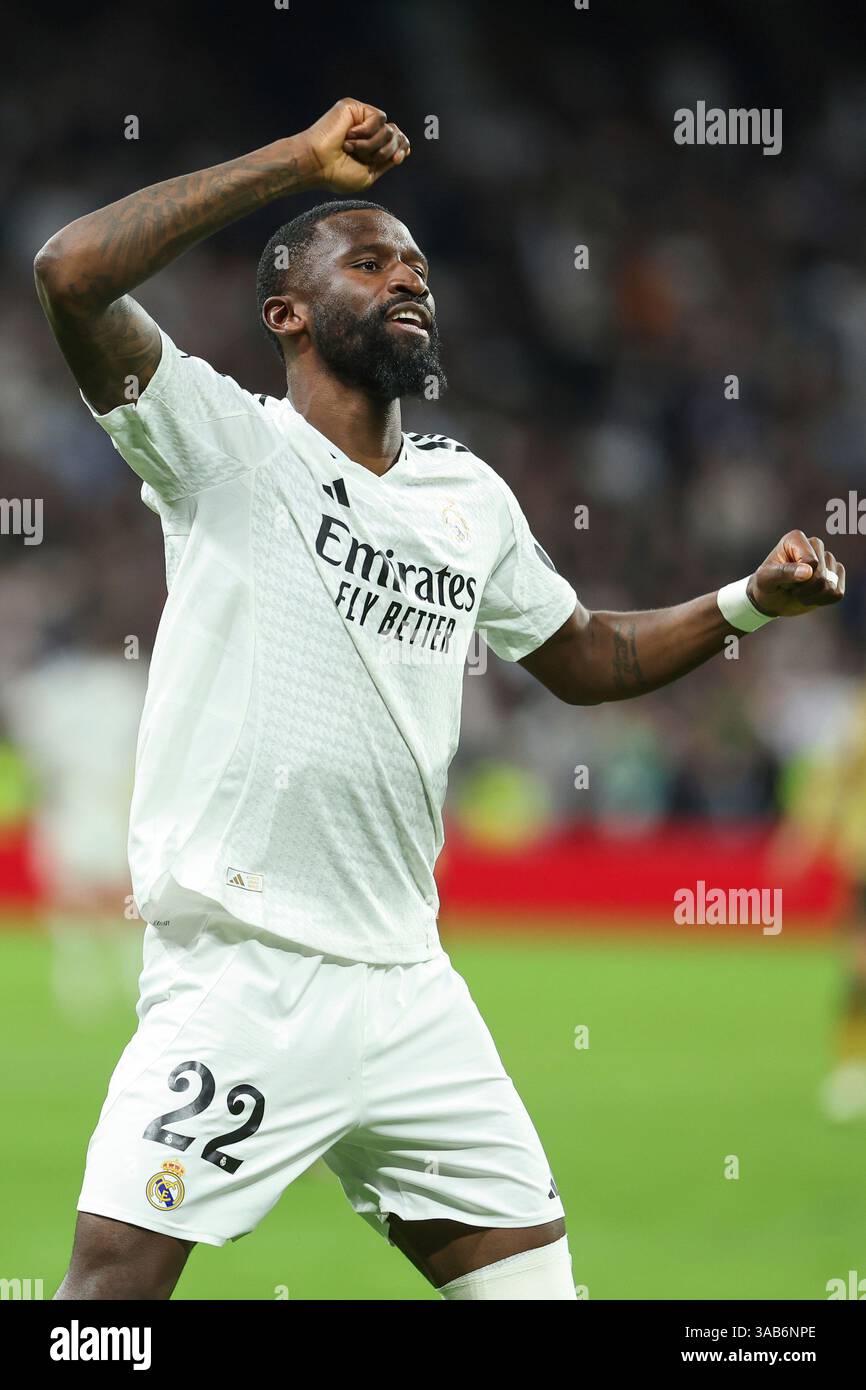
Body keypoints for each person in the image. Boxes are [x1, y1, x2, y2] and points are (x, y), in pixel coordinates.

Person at [35, 97, 844, 1300]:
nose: (408, 277)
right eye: (367, 262)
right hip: (244, 977)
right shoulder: (223, 448)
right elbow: (72, 274)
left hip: (412, 991)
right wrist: (298, 163)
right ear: (287, 313)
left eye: (415, 263)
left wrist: (741, 602)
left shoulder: (467, 496)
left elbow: (579, 653)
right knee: (108, 1301)